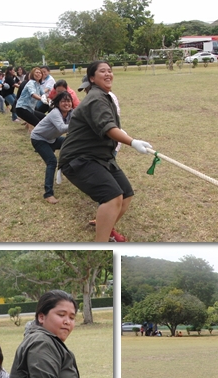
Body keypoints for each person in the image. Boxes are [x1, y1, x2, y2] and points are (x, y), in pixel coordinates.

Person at [58, 60, 153, 243]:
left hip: (100, 157)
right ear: (92, 78)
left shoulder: (105, 96)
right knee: (112, 196)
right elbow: (108, 127)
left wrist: (124, 134)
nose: (108, 74)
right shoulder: (96, 97)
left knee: (125, 194)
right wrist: (132, 142)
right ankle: (100, 244)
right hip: (79, 158)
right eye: (102, 71)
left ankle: (106, 228)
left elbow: (107, 126)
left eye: (110, 71)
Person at [31, 91, 73, 205]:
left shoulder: (70, 113)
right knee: (52, 161)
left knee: (73, 144)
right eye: (63, 101)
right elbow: (61, 128)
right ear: (58, 103)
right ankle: (48, 194)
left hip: (52, 139)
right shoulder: (55, 112)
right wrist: (77, 124)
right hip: (39, 139)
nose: (66, 104)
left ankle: (67, 169)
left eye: (68, 101)